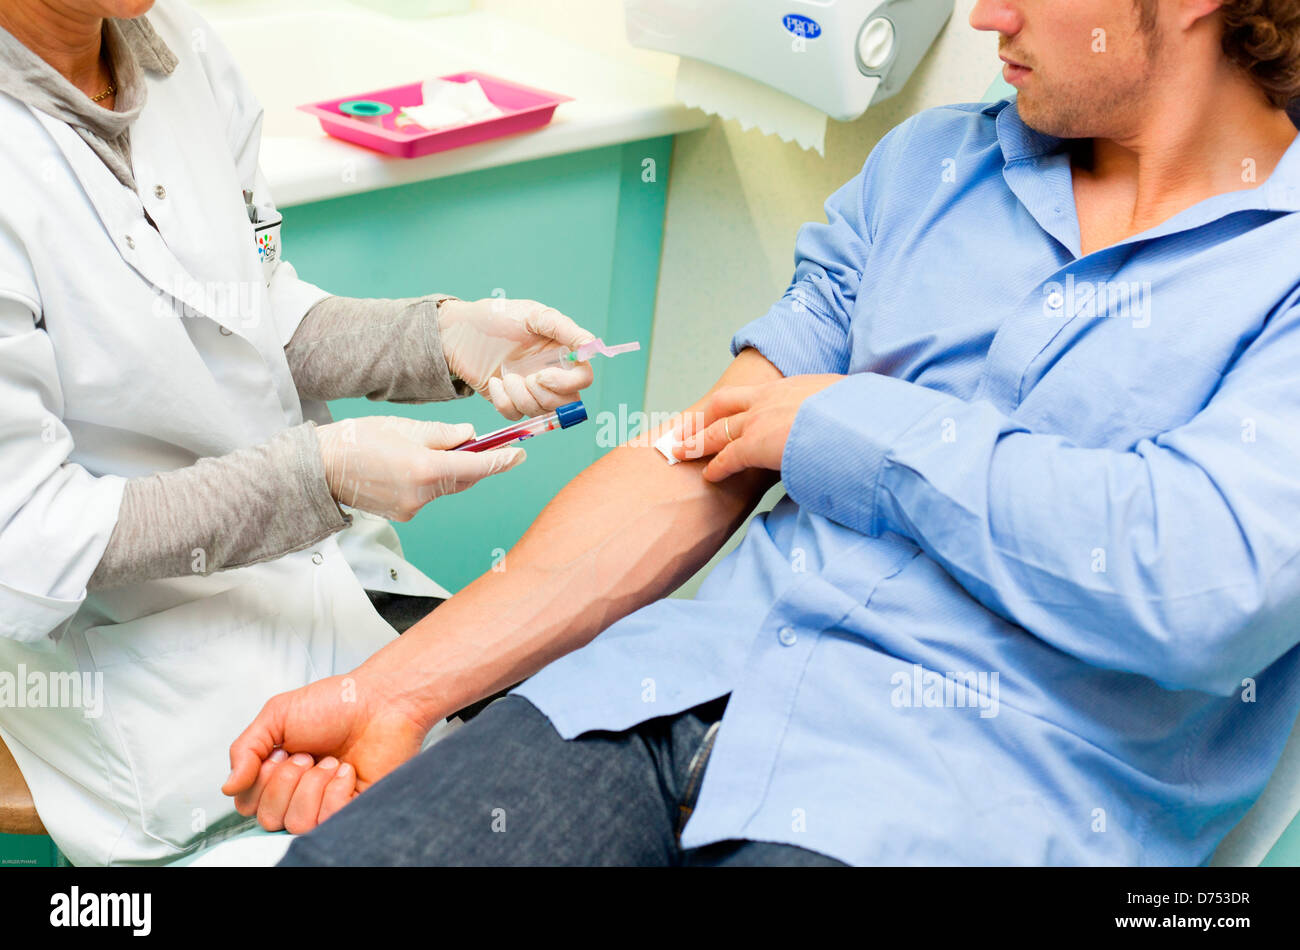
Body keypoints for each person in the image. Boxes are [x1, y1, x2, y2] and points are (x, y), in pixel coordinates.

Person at [226, 0, 1300, 866]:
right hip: (671, 700)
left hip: (962, 790)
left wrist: (850, 426)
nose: (983, 17)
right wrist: (397, 689)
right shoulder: (929, 167)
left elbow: (1199, 581)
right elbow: (698, 455)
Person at [0, 0, 594, 865]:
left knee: (548, 783)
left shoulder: (184, 53)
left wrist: (437, 339)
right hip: (144, 697)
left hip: (328, 599)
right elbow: (29, 538)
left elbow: (253, 307)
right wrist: (319, 478)